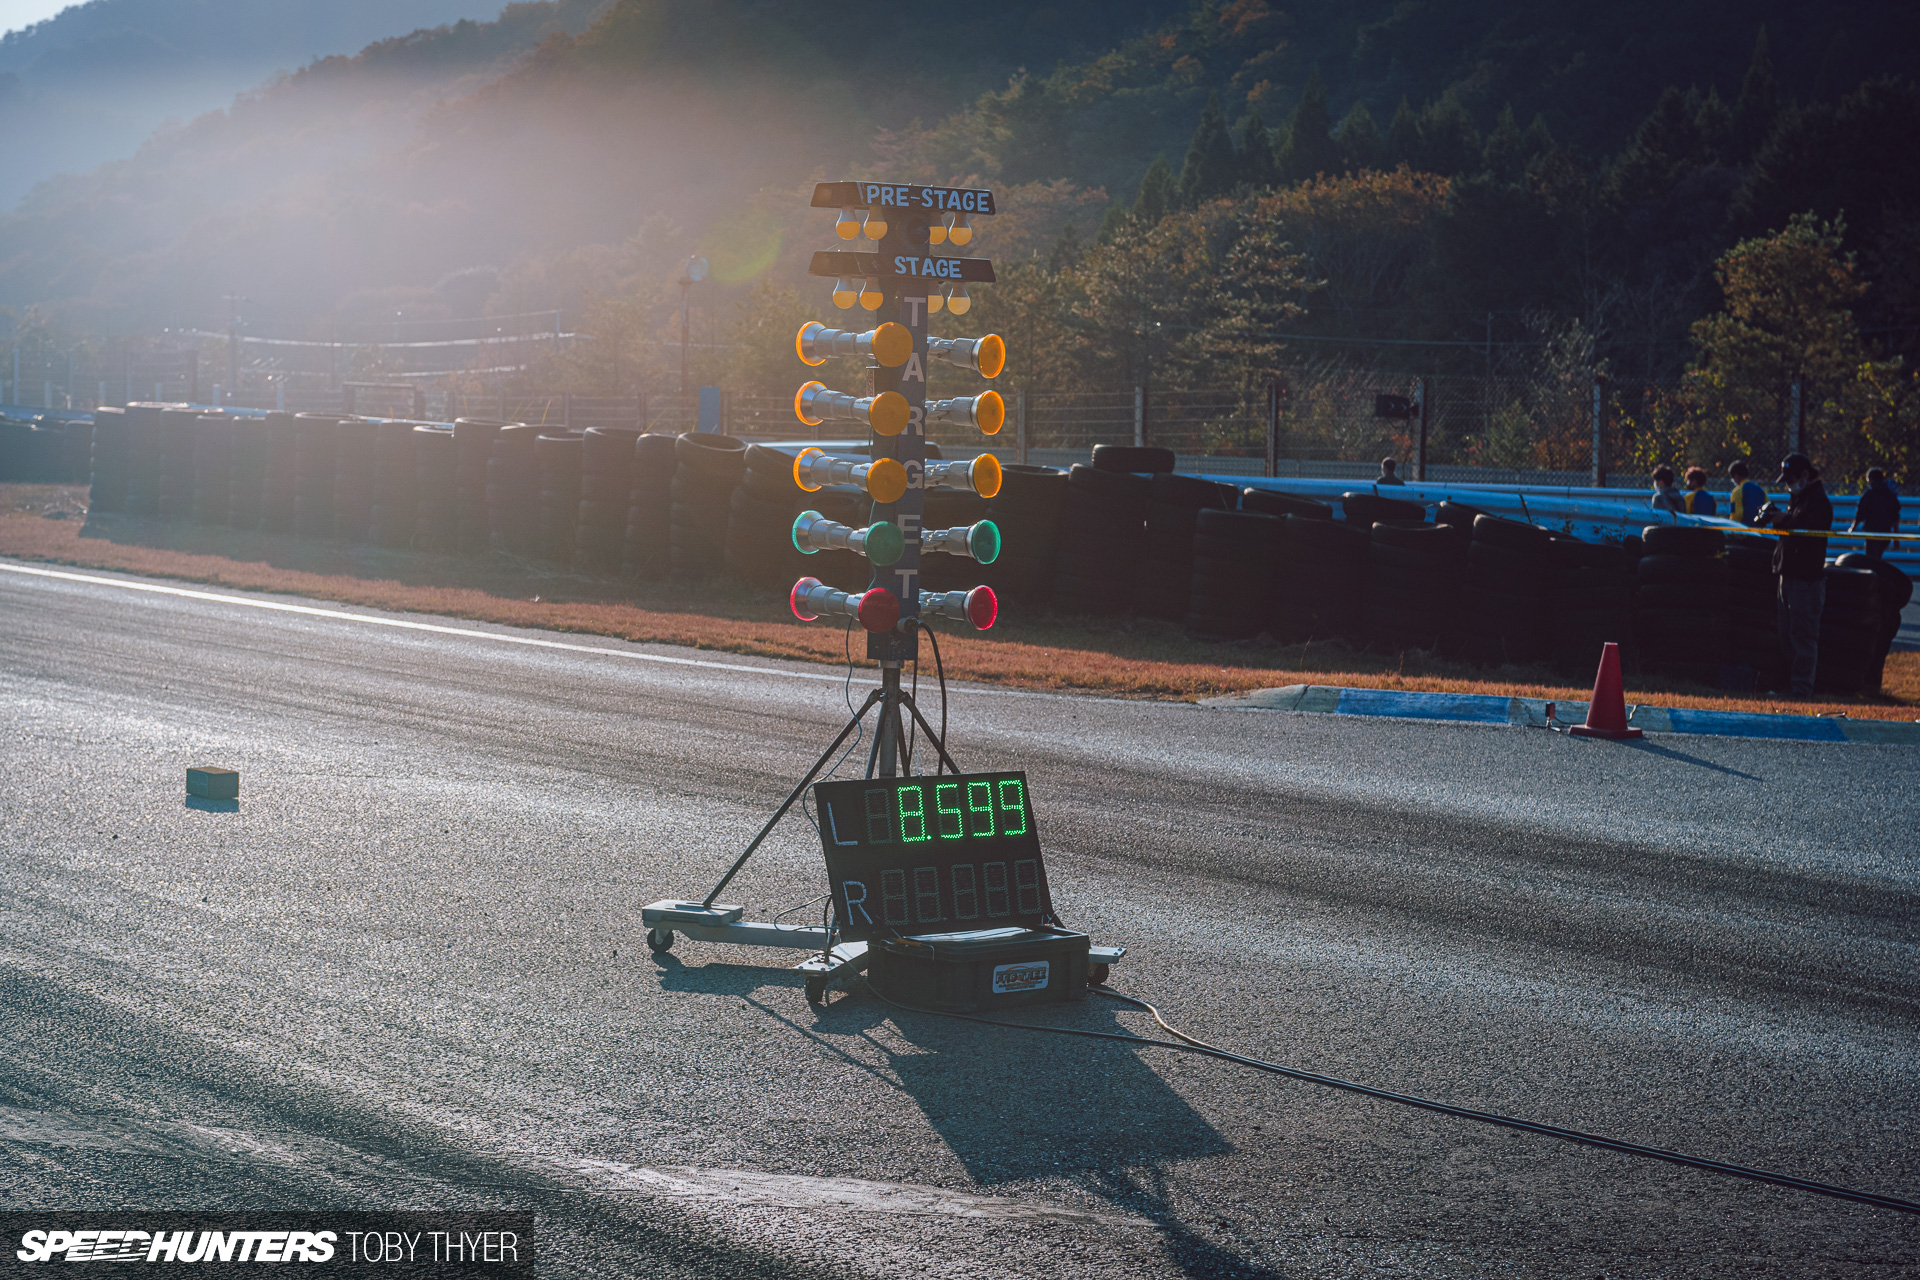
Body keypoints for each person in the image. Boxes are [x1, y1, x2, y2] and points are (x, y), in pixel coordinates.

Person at [1760, 453, 1833, 696]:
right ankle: (1789, 683)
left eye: (1791, 478)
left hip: (1806, 578)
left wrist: (1786, 521)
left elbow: (1809, 529)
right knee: (1786, 634)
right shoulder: (1798, 498)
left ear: (1804, 475)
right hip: (1788, 573)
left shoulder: (1818, 502)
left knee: (1803, 635)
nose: (1788, 484)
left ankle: (1801, 688)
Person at [1852, 467, 1901, 560]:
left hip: (1871, 532)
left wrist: (1852, 528)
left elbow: (1860, 514)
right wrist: (1896, 539)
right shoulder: (1890, 495)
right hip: (1885, 532)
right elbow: (1895, 518)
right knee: (1877, 556)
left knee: (1871, 558)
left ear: (1870, 480)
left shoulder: (1869, 495)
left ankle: (1874, 572)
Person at [1726, 460, 1767, 525]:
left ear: (1736, 476)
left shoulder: (1737, 492)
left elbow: (1736, 515)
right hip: (1759, 530)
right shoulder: (1760, 490)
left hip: (1744, 531)